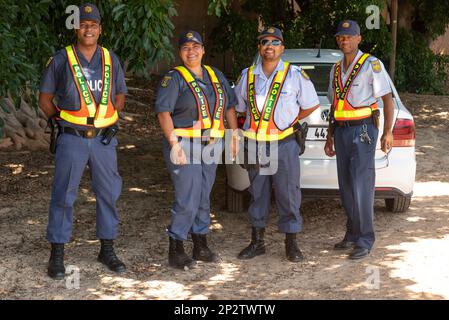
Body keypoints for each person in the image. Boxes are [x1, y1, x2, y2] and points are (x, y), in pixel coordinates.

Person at [39, 3, 127, 279]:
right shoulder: (61, 59)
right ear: (76, 28)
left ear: (100, 29)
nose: (88, 29)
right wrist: (60, 121)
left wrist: (107, 117)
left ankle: (107, 249)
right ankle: (57, 254)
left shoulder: (111, 58)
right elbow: (45, 99)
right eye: (83, 24)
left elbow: (120, 95)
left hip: (103, 140)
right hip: (72, 139)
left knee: (108, 194)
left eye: (93, 24)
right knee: (64, 195)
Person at [155, 30, 239, 269]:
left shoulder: (216, 75)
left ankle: (200, 245)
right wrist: (174, 145)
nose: (191, 51)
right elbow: (163, 113)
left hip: (212, 144)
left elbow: (230, 107)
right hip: (184, 144)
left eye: (195, 47)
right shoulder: (174, 78)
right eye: (185, 48)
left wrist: (234, 136)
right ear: (180, 52)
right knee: (187, 197)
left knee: (203, 195)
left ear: (203, 49)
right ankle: (176, 247)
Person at [234, 27, 320, 262]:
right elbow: (239, 108)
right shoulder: (247, 75)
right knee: (257, 194)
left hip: (284, 144)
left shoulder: (295, 75)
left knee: (288, 193)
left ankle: (291, 244)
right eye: (264, 41)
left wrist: (290, 120)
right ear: (259, 48)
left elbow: (311, 105)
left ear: (282, 48)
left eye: (274, 42)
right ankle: (257, 242)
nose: (269, 46)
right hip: (255, 144)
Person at [324, 20, 394, 260]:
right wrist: (329, 136)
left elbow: (387, 99)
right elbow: (335, 105)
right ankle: (352, 234)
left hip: (363, 130)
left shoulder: (371, 65)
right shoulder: (335, 69)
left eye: (349, 36)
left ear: (358, 39)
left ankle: (365, 239)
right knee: (346, 187)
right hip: (342, 131)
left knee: (362, 186)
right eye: (341, 37)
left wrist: (388, 132)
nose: (345, 40)